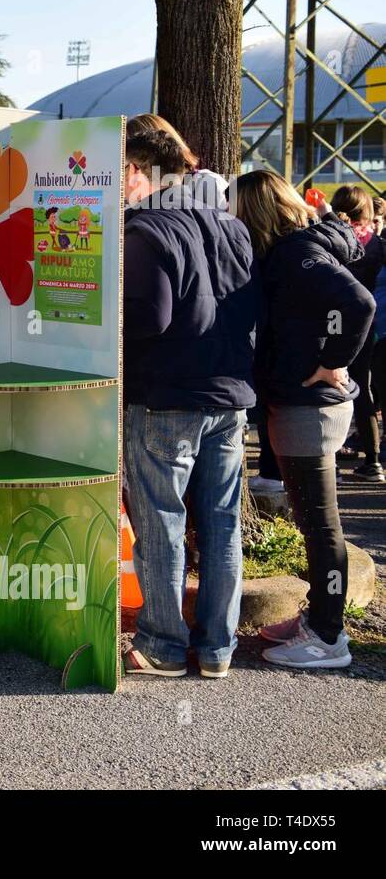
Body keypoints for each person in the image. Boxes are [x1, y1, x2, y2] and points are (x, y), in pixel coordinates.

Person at [121, 124, 259, 679]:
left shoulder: (149, 229)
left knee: (162, 522)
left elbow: (148, 318)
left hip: (167, 398)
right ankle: (218, 648)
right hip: (228, 396)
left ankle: (164, 644)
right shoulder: (231, 227)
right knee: (222, 522)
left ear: (135, 170)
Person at [235, 172, 374, 670]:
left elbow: (358, 303)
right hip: (307, 403)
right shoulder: (305, 246)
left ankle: (328, 636)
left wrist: (334, 360)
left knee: (320, 525)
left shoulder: (296, 255)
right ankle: (319, 619)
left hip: (309, 406)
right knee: (317, 523)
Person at [329, 185, 384, 481]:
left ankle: (332, 461)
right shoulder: (377, 244)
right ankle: (373, 461)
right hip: (369, 325)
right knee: (364, 389)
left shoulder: (332, 240)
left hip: (334, 321)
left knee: (333, 389)